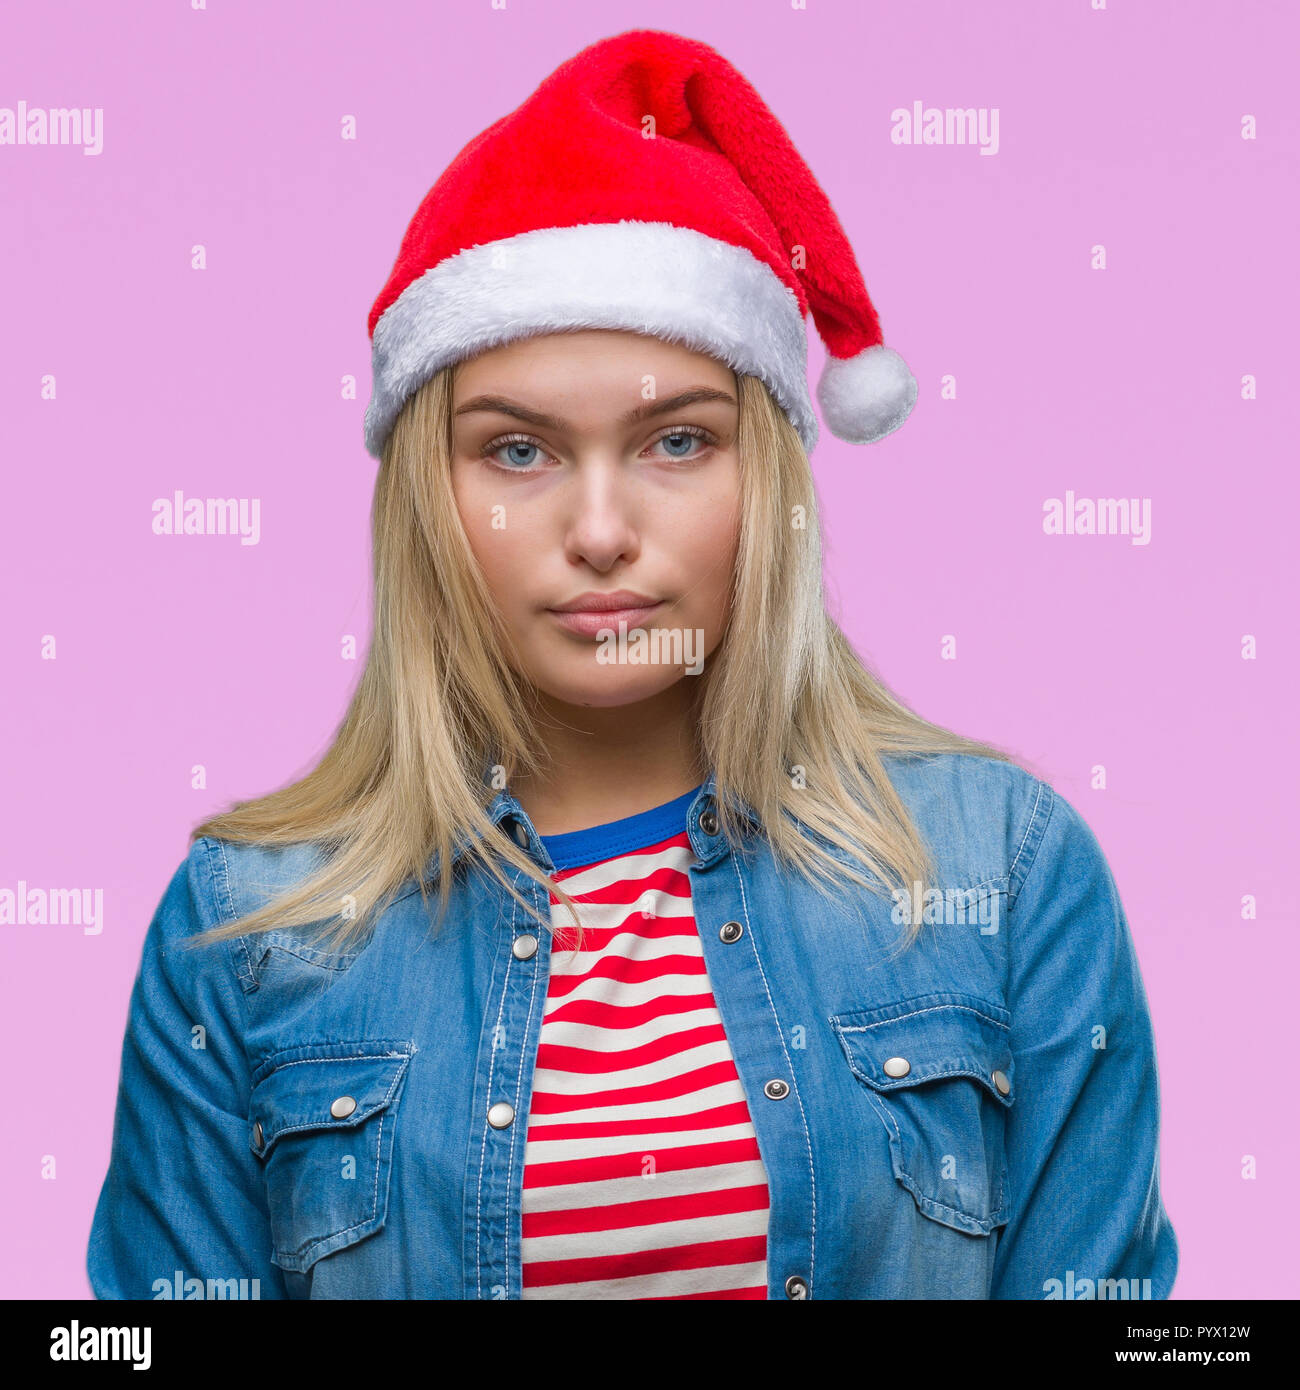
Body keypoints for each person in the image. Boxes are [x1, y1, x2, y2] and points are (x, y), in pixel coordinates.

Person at [87, 28, 1177, 1301]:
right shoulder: (243, 929)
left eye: (675, 441)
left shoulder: (1002, 871)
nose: (600, 531)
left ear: (763, 480)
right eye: (517, 451)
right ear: (427, 501)